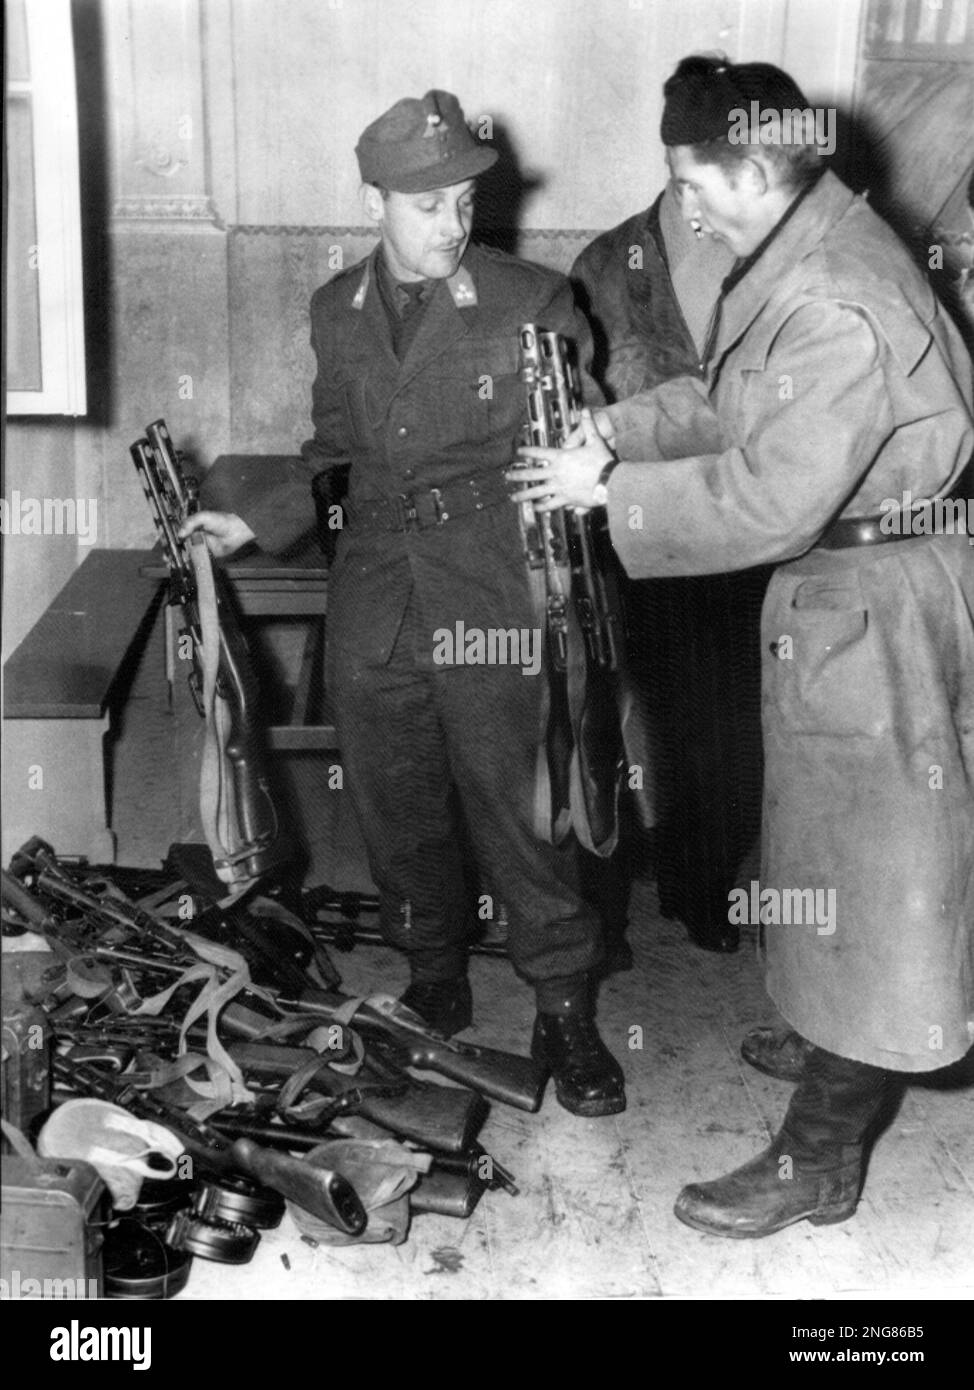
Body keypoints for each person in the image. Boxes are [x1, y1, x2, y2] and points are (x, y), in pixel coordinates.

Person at [511, 55, 973, 1234]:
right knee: (835, 869)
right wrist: (609, 427)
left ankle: (819, 1153)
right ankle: (837, 1038)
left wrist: (605, 497)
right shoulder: (804, 255)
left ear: (755, 167)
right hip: (842, 604)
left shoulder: (833, 298)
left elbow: (768, 497)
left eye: (693, 182)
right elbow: (730, 399)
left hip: (875, 614)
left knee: (876, 883)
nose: (683, 207)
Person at [181, 89, 626, 1118]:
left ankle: (563, 1005)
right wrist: (252, 520)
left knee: (521, 806)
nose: (452, 224)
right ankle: (433, 975)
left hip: (489, 576)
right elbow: (332, 454)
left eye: (465, 201)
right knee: (394, 798)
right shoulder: (333, 311)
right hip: (376, 581)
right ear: (373, 197)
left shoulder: (531, 299)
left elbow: (582, 435)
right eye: (427, 206)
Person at [572, 181, 769, 955]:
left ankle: (705, 881)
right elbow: (584, 394)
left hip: (748, 519)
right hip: (645, 521)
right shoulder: (607, 263)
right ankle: (625, 881)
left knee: (739, 718)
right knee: (652, 715)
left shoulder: (760, 246)